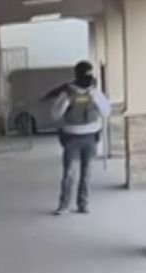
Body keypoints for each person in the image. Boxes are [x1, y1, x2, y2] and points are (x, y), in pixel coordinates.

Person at [45, 61, 111, 215]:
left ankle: (82, 204)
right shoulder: (67, 93)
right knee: (70, 173)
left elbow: (106, 111)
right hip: (72, 138)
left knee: (86, 173)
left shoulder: (95, 92)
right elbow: (55, 114)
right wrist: (68, 102)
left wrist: (93, 98)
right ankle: (65, 205)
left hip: (89, 137)